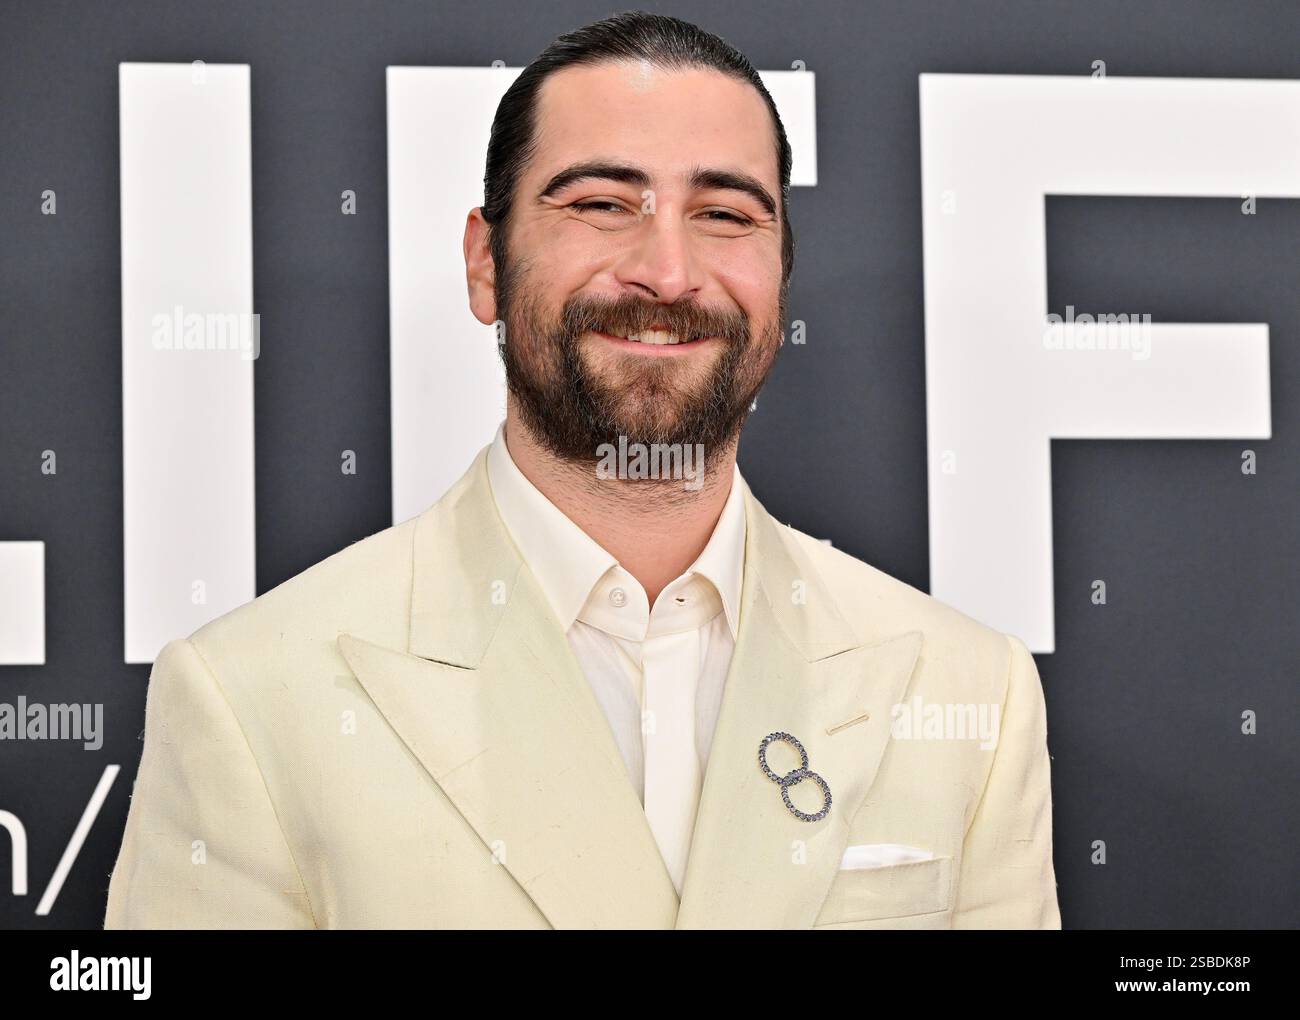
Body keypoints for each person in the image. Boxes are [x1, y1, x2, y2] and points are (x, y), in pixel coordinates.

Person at [105, 10, 1060, 929]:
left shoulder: (970, 694)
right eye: (603, 204)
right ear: (487, 264)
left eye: (725, 214)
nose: (669, 272)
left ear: (780, 276)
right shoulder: (250, 700)